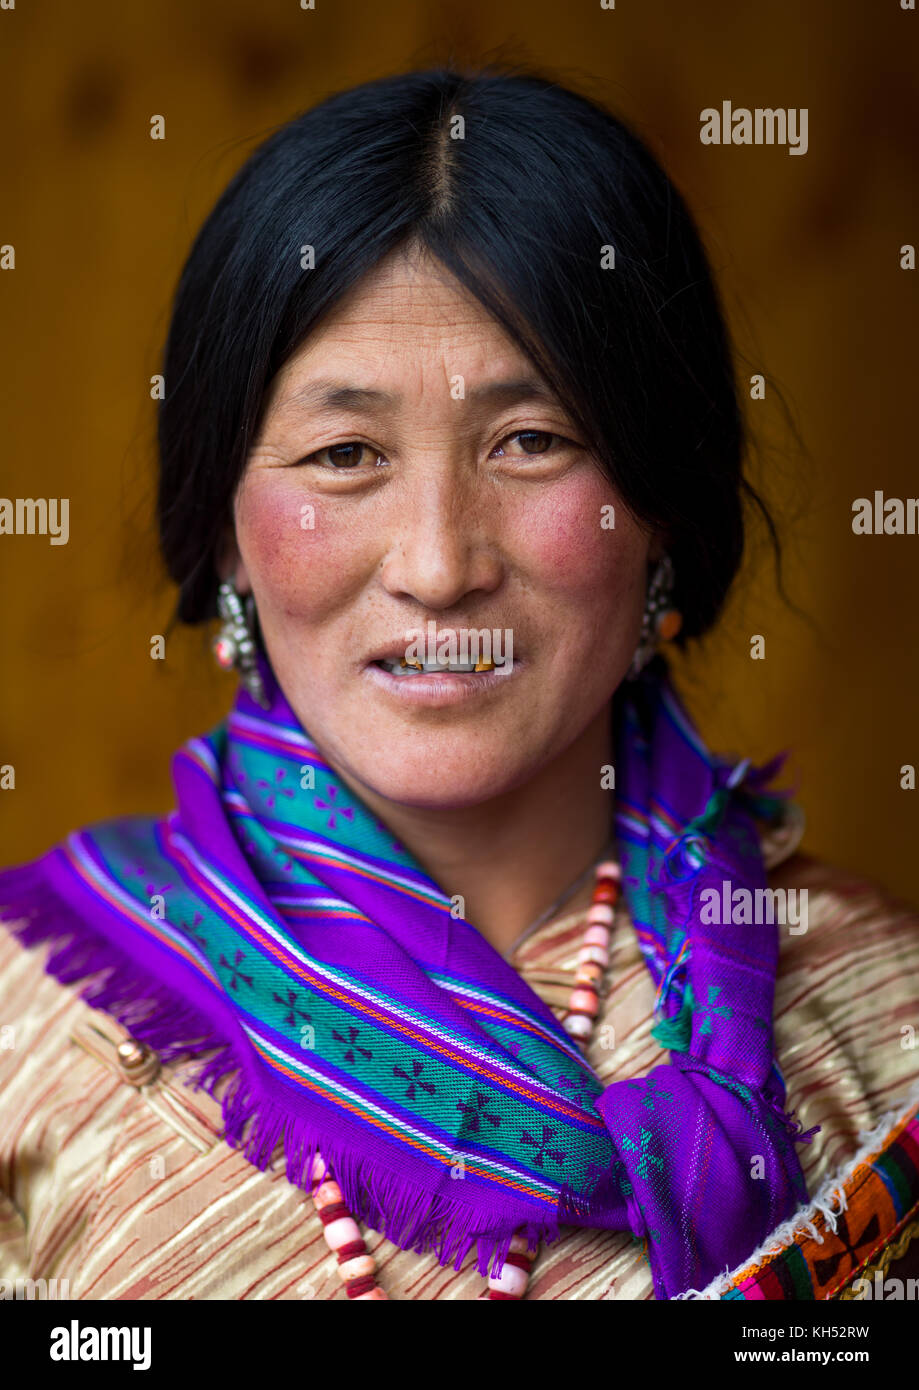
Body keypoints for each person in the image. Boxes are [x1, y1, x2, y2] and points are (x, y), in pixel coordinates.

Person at [1, 67, 918, 1303]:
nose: (438, 565)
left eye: (529, 442)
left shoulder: (882, 1027)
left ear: (657, 513)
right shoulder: (31, 1029)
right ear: (224, 530)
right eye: (344, 454)